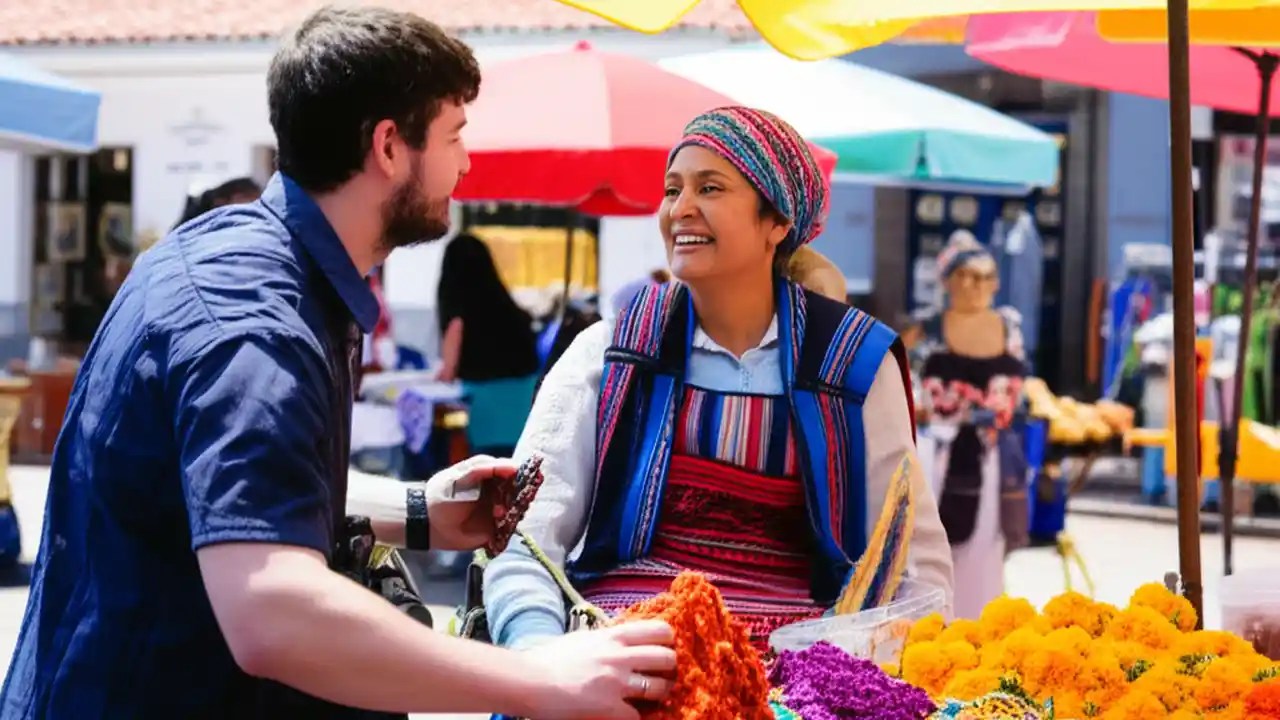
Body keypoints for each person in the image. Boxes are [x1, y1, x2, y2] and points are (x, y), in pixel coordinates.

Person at [0, 7, 675, 720]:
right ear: (388, 146)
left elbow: (243, 490)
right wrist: (537, 678)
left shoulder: (257, 259)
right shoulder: (254, 323)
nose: (466, 163)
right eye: (454, 136)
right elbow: (272, 608)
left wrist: (419, 512)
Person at [484, 107, 953, 655]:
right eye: (671, 190)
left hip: (797, 672)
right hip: (627, 658)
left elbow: (915, 566)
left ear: (775, 223)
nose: (680, 210)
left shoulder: (853, 364)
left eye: (709, 188)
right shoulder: (609, 353)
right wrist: (540, 653)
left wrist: (891, 670)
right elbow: (525, 538)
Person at [917, 230, 1030, 620]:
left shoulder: (1010, 328)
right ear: (947, 280)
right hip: (937, 455)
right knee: (934, 550)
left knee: (985, 551)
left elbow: (1016, 390)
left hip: (991, 456)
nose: (973, 286)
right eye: (964, 276)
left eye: (983, 277)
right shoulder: (927, 329)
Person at [436, 233, 540, 457]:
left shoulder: (458, 315)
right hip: (525, 417)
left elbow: (448, 371)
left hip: (486, 420)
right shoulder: (509, 309)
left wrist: (442, 373)